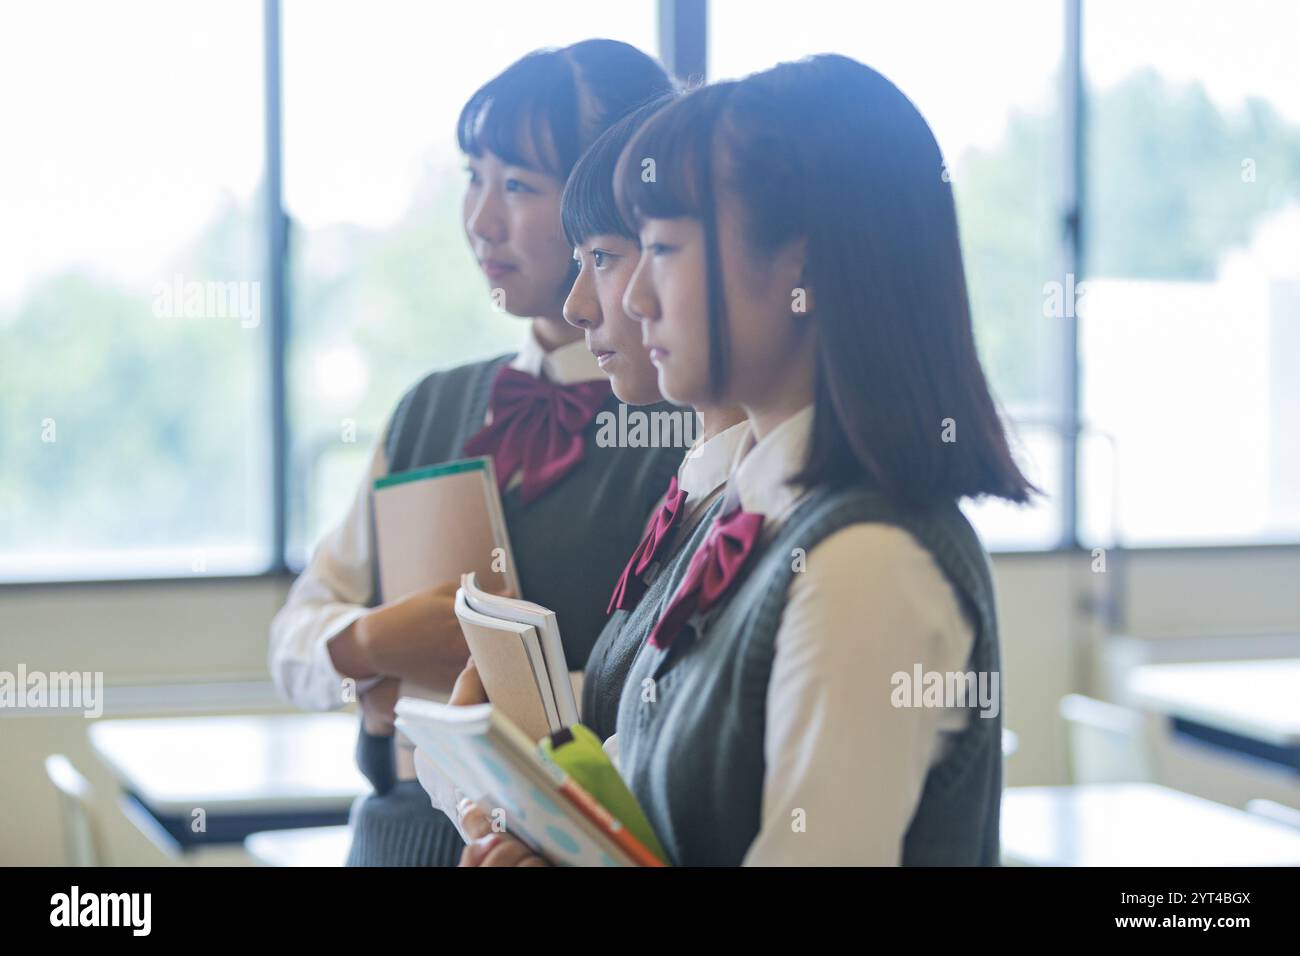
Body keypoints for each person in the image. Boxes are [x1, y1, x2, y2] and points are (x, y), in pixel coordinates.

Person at [458, 54, 1036, 867]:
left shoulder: (867, 560)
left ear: (801, 261)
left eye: (661, 248)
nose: (630, 299)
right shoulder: (764, 511)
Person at [268, 39, 682, 867]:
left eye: (519, 186)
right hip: (391, 841)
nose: (481, 220)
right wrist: (374, 642)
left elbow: (667, 703)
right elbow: (294, 638)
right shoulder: (432, 404)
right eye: (473, 177)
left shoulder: (685, 427)